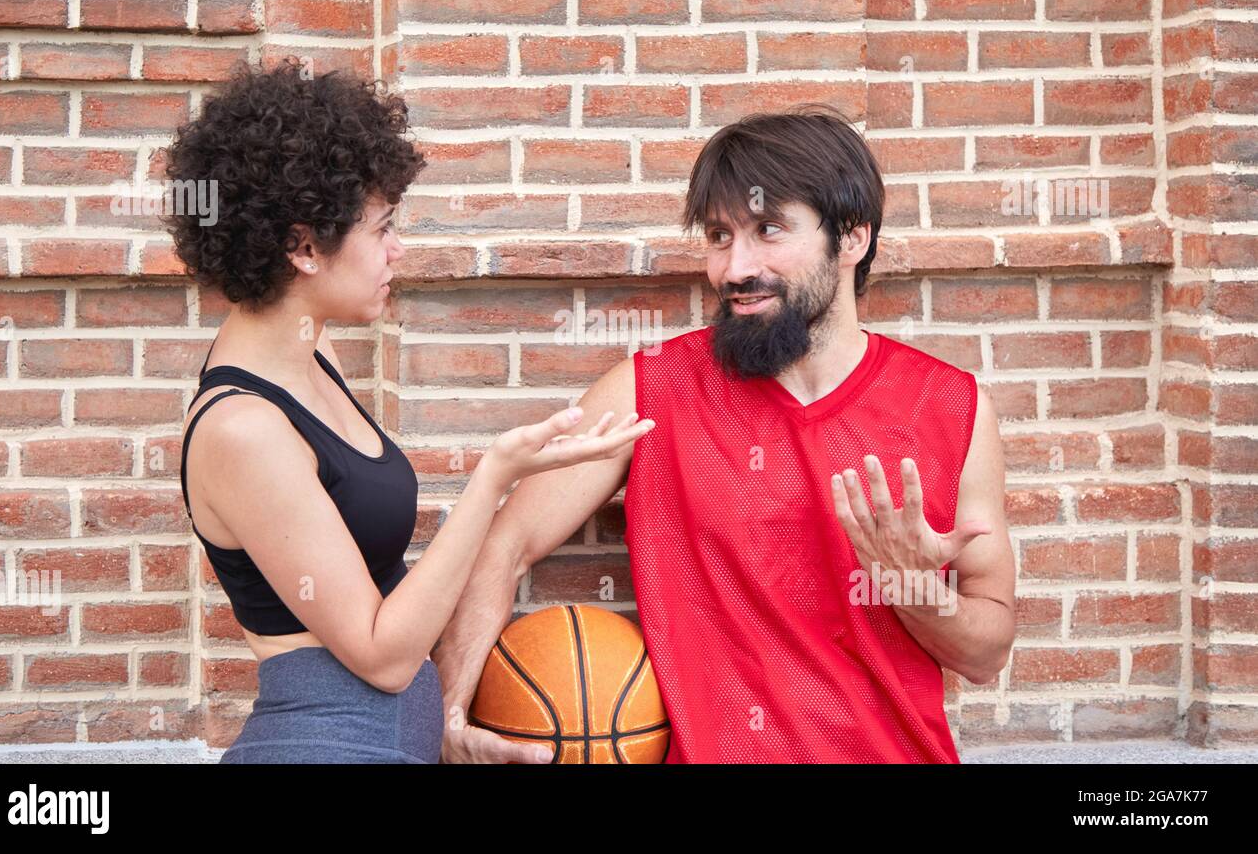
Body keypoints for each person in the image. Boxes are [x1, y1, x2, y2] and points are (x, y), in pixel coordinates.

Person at [433, 104, 1017, 763]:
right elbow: (502, 543)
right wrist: (450, 718)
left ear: (852, 238)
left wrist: (910, 586)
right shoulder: (652, 393)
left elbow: (988, 652)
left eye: (768, 230)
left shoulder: (953, 408)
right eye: (718, 236)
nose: (735, 267)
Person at [165, 59, 653, 763]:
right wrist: (492, 480)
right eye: (381, 227)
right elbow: (382, 655)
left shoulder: (306, 355)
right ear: (304, 247)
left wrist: (445, 742)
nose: (398, 250)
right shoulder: (242, 429)